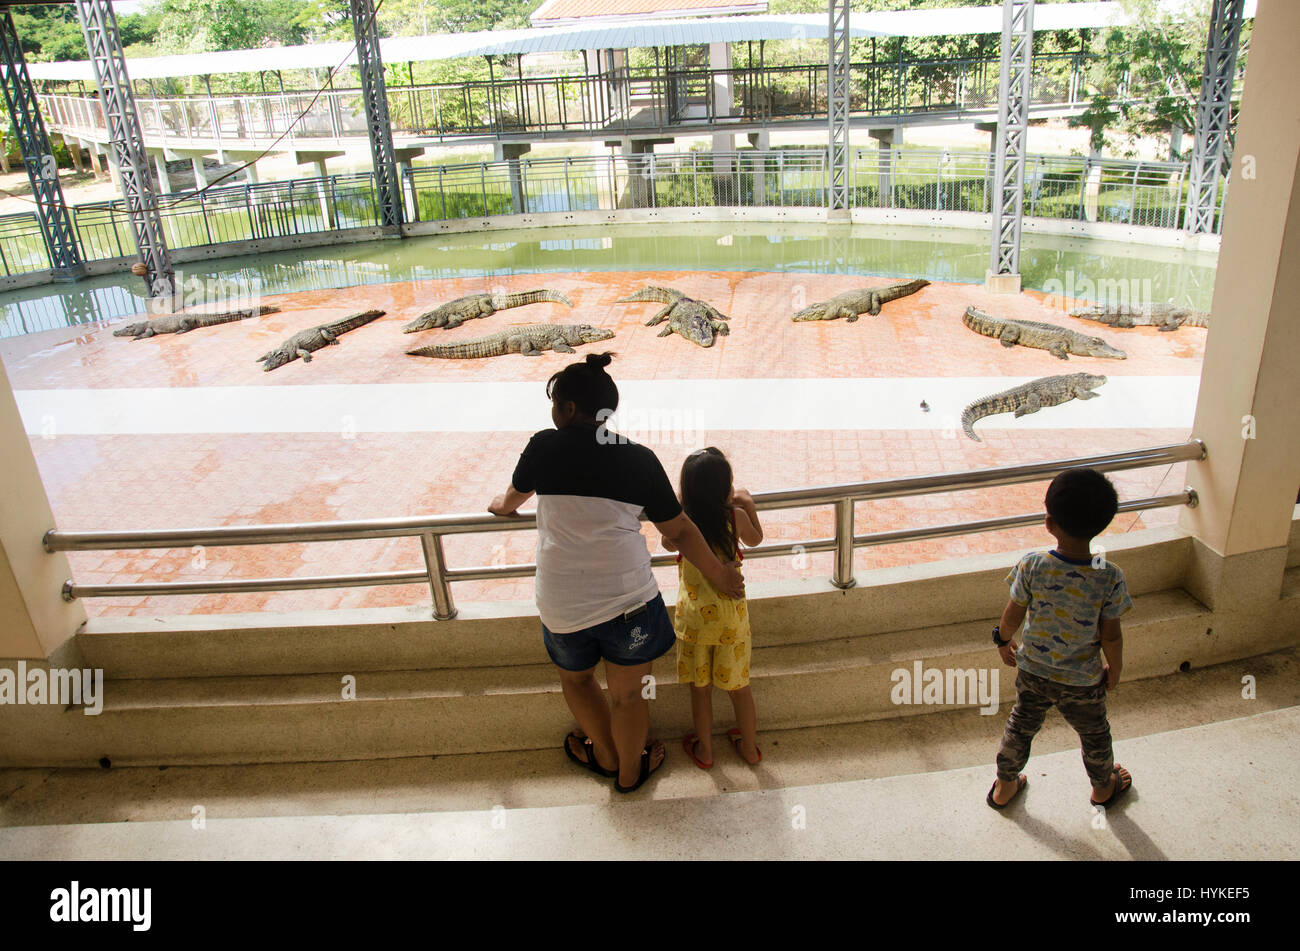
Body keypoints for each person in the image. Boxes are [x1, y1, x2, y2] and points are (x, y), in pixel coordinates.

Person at [488, 353, 745, 793]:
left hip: (562, 605)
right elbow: (680, 529)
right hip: (630, 604)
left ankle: (604, 755)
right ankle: (630, 774)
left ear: (567, 409)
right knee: (628, 695)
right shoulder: (639, 459)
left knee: (577, 679)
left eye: (557, 403)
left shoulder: (543, 446)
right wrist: (721, 575)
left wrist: (498, 507)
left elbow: (509, 500)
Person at [987, 467, 1133, 810]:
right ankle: (1102, 788)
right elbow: (1111, 634)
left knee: (1020, 726)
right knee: (1094, 734)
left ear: (1049, 522)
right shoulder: (1109, 576)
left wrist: (1002, 640)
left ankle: (1004, 786)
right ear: (1103, 523)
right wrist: (1116, 668)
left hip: (1033, 670)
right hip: (1082, 681)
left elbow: (1013, 613)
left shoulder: (1033, 564)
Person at [664, 447, 764, 768]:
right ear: (726, 487)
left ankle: (706, 751)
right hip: (730, 623)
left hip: (694, 624)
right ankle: (749, 749)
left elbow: (668, 542)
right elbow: (757, 539)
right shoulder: (734, 518)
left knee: (701, 690)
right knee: (740, 690)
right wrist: (747, 504)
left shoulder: (682, 524)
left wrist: (681, 505)